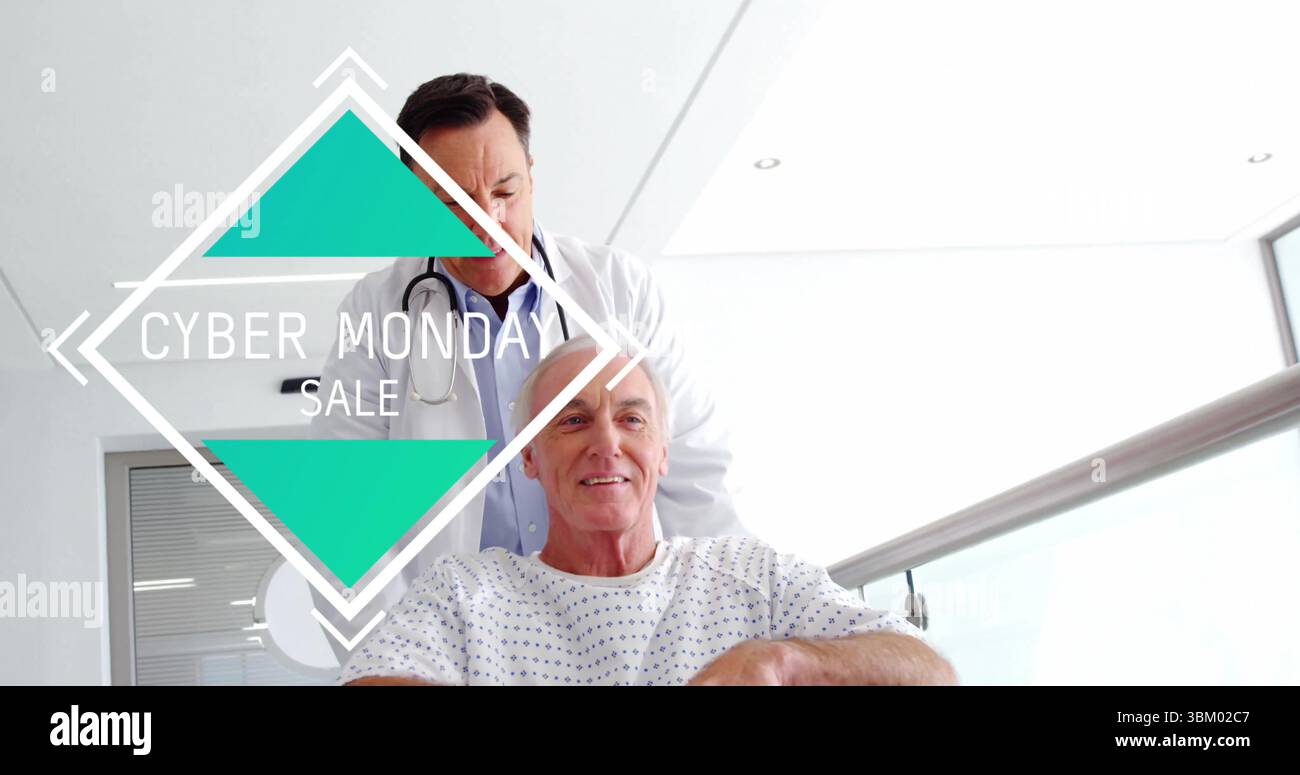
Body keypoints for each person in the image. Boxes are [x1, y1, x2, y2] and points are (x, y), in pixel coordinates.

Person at [310, 74, 745, 652]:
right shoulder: (375, 311)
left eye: (505, 192)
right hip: (465, 644)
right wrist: (395, 662)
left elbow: (696, 469)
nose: (486, 222)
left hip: (620, 618)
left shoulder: (619, 289)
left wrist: (735, 630)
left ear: (532, 177)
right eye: (451, 205)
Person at [339, 337, 957, 685]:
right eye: (573, 421)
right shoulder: (467, 595)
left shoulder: (753, 578)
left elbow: (929, 673)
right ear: (529, 457)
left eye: (631, 419)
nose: (606, 442)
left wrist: (782, 662)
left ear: (661, 452)